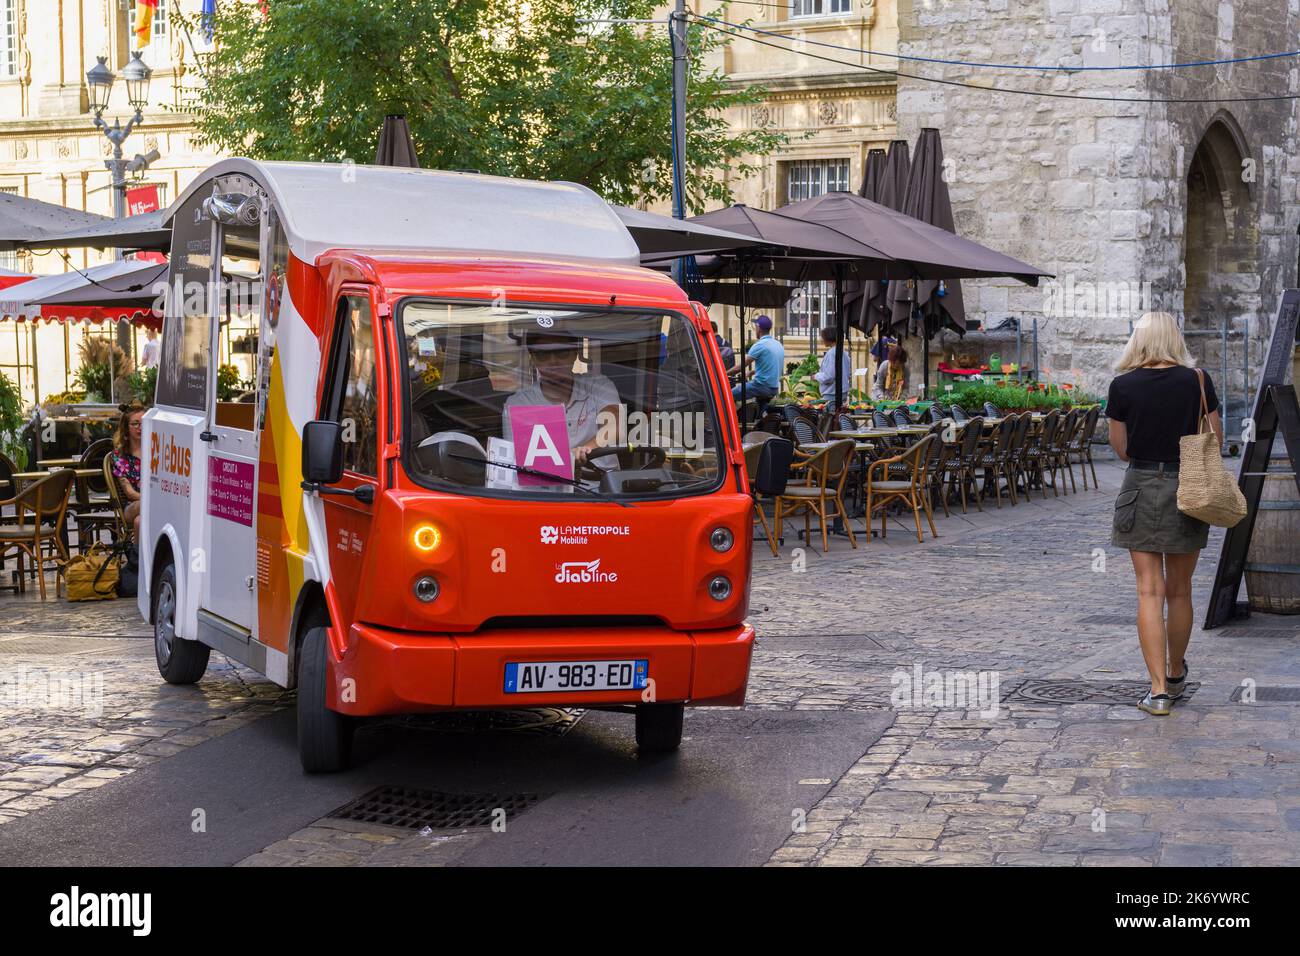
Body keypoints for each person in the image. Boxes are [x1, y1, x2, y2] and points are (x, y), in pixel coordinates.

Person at [1106, 311, 1222, 717]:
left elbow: (1121, 449)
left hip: (1139, 487)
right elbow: (1215, 441)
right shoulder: (1198, 381)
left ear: (1137, 341)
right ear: (1175, 339)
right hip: (1188, 486)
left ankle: (1157, 693)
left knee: (1148, 592)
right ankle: (1175, 674)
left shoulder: (1122, 386)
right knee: (1179, 590)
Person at [502, 327, 621, 466]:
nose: (553, 361)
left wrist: (586, 450)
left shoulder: (599, 385)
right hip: (547, 486)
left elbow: (615, 426)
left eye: (561, 352)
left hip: (603, 485)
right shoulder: (518, 403)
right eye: (543, 355)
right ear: (533, 359)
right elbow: (517, 460)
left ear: (575, 353)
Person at [109, 400, 147, 540]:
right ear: (126, 427)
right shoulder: (119, 456)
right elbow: (129, 492)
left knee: (140, 522)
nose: (140, 428)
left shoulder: (156, 451)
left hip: (153, 504)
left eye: (143, 423)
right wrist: (153, 499)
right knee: (143, 505)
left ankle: (136, 559)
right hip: (132, 505)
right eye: (135, 424)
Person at [731, 314, 784, 410]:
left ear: (758, 328)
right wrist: (753, 372)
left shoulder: (760, 345)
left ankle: (730, 422)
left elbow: (740, 367)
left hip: (760, 386)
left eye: (756, 327)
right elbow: (771, 365)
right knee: (761, 412)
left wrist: (724, 373)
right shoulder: (778, 344)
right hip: (774, 388)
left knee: (729, 395)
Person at [815, 326, 852, 405]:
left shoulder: (831, 353)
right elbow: (848, 373)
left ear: (828, 338)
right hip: (842, 392)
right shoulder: (843, 352)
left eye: (822, 337)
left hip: (832, 393)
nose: (821, 340)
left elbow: (829, 377)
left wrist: (816, 376)